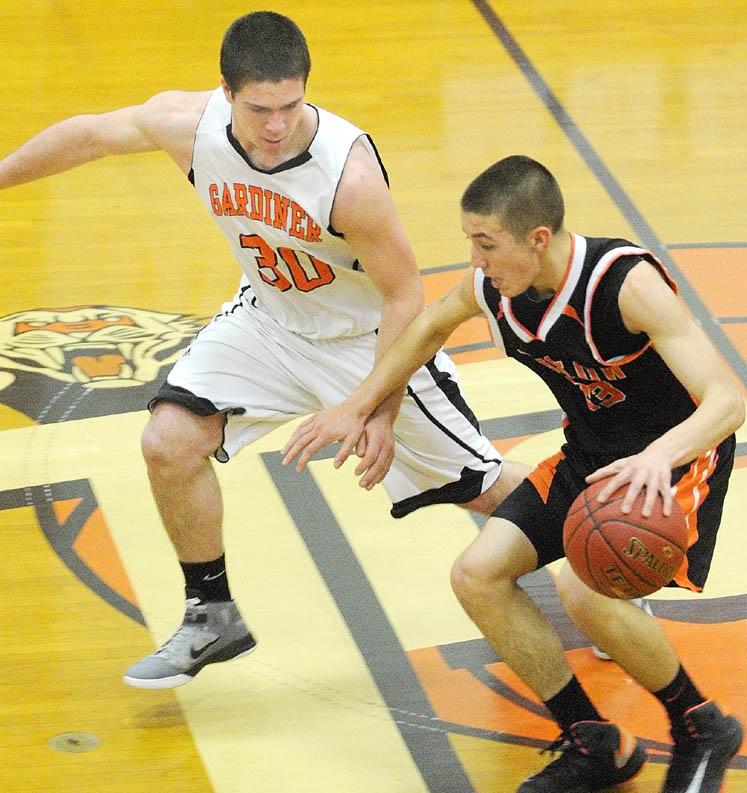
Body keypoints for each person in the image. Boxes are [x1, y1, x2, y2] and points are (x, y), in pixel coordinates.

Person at [0, 12, 529, 688]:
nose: (277, 125)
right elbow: (90, 135)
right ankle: (210, 613)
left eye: (291, 106)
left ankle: (604, 563)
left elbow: (405, 297)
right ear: (225, 92)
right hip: (268, 323)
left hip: (364, 341)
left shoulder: (349, 176)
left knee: (482, 487)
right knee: (168, 440)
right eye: (260, 109)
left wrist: (378, 408)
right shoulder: (187, 127)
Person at [281, 155, 746, 793]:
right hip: (590, 457)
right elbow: (428, 325)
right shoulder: (496, 289)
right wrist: (362, 405)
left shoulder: (623, 285)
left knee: (584, 589)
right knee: (477, 574)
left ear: (538, 239)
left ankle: (701, 726)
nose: (475, 259)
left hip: (675, 458)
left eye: (485, 243)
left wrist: (656, 458)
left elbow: (727, 402)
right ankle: (592, 742)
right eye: (471, 241)